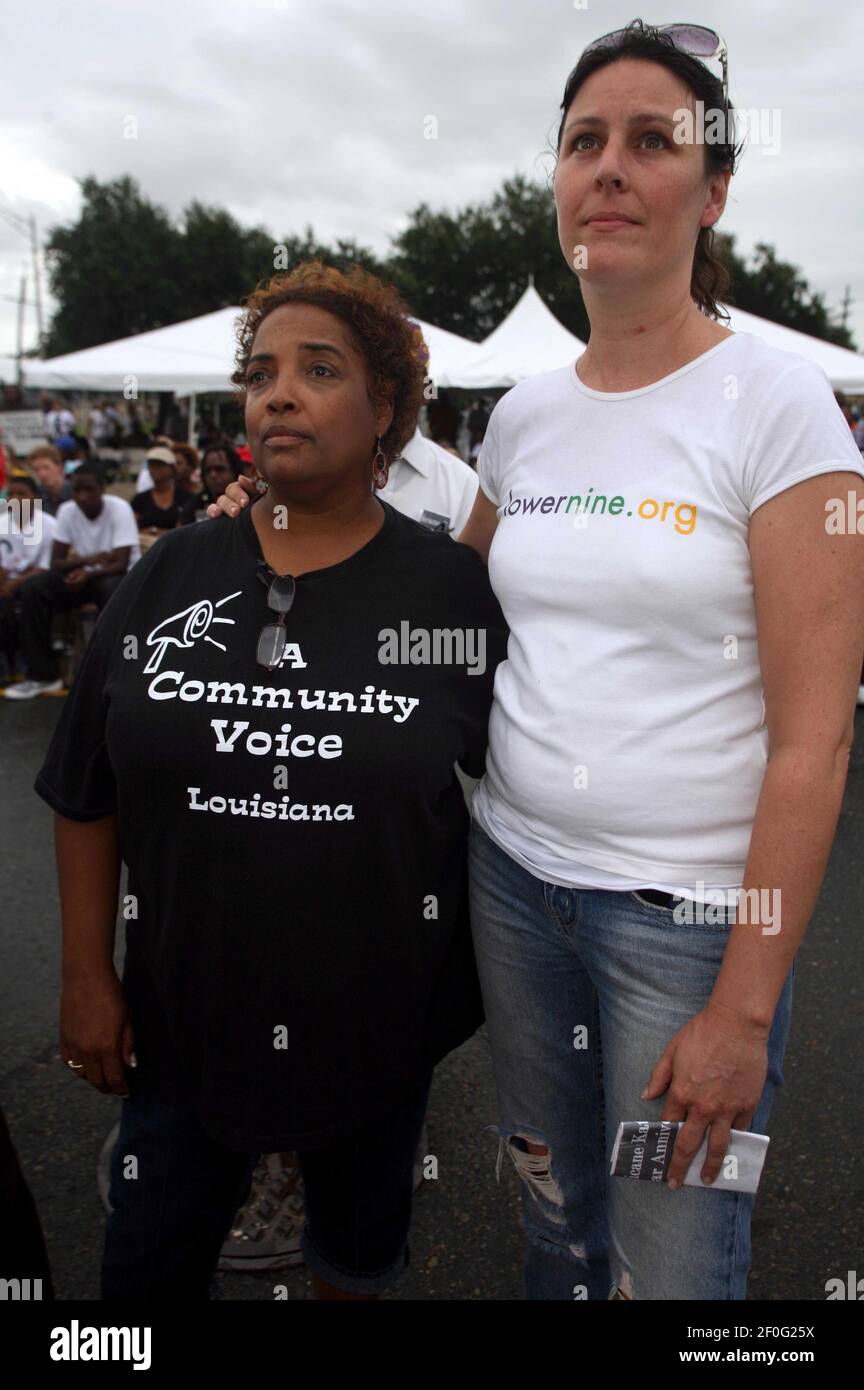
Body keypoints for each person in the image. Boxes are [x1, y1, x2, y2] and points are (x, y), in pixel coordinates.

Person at [214, 21, 864, 1302]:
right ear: (558, 186)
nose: (610, 167)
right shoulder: (528, 414)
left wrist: (742, 1010)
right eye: (584, 142)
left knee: (675, 1266)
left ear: (713, 190)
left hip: (684, 929)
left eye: (651, 141)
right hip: (514, 890)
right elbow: (445, 598)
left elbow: (815, 736)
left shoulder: (781, 404)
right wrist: (276, 534)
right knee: (558, 1223)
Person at [34, 260, 507, 1300]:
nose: (277, 392)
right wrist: (85, 976)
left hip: (376, 1034)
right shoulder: (172, 574)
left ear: (387, 408)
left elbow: (512, 783)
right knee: (141, 1277)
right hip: (178, 1030)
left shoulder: (449, 593)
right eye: (260, 372)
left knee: (352, 1262)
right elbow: (85, 784)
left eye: (319, 370)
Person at [5, 466, 140, 700]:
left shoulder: (119, 508)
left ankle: (117, 671)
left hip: (118, 579)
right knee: (33, 588)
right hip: (86, 575)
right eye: (77, 490)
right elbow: (56, 562)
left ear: (102, 490)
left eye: (89, 490)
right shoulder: (68, 511)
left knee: (112, 589)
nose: (82, 497)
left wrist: (85, 571)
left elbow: (120, 563)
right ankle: (43, 675)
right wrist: (86, 563)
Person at [0, 473, 57, 679]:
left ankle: (31, 664)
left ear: (35, 497)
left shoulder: (49, 524)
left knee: (27, 598)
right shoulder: (1, 522)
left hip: (31, 584)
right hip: (6, 583)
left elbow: (46, 566)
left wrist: (15, 583)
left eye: (22, 494)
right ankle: (7, 664)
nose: (15, 499)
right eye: (11, 494)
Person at [130, 446, 193, 547]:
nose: (155, 468)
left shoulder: (185, 497)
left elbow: (184, 529)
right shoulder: (139, 499)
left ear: (172, 468)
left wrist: (153, 531)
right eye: (152, 464)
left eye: (160, 465)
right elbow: (131, 530)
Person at [179, 443, 244, 524]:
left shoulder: (245, 503)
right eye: (208, 470)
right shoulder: (193, 506)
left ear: (234, 471)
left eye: (220, 469)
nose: (213, 475)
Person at [29, 445, 74, 515]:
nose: (42, 474)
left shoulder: (75, 493)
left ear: (59, 467)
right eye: (36, 470)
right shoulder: (36, 497)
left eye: (46, 467)